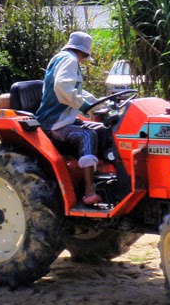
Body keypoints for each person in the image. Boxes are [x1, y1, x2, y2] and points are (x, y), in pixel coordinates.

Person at [35, 31, 128, 206]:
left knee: (102, 129)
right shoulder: (69, 60)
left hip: (65, 119)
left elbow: (77, 92)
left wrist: (101, 105)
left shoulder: (62, 58)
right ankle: (89, 191)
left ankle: (109, 177)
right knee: (87, 136)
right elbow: (62, 86)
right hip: (54, 123)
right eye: (86, 56)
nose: (85, 59)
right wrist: (84, 106)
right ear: (83, 52)